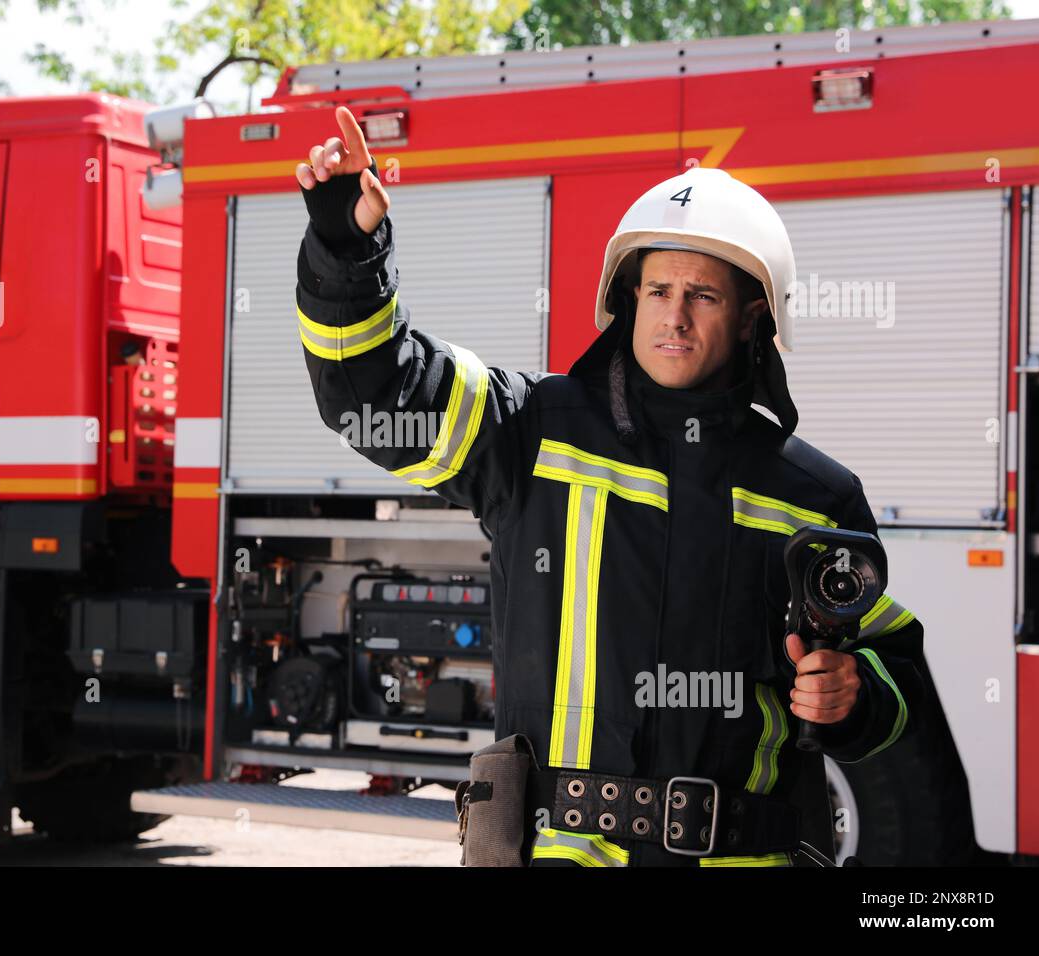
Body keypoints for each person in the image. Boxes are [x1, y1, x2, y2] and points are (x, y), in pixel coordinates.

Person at [294, 107, 925, 867]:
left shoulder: (816, 496)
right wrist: (345, 250)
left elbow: (897, 670)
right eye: (658, 291)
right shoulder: (529, 431)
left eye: (705, 296)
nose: (676, 319)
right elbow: (372, 395)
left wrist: (855, 695)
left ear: (756, 314)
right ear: (628, 299)